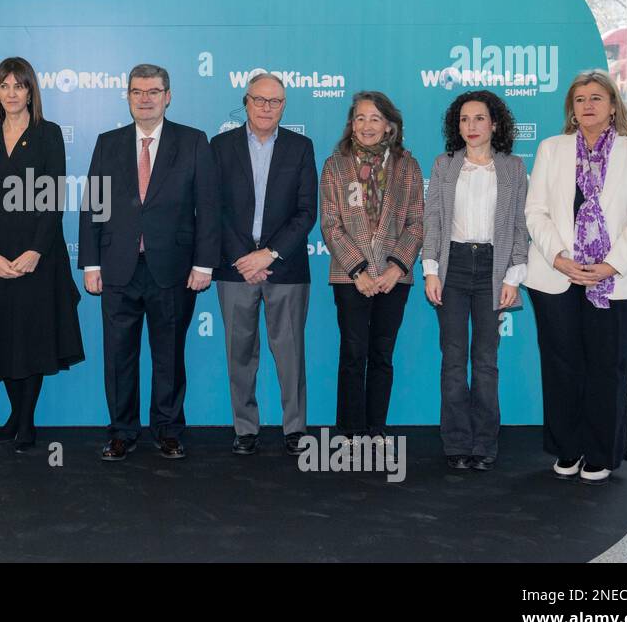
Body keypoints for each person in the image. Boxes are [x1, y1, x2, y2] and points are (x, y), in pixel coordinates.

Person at [523, 70, 627, 485]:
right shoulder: (551, 149)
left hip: (615, 280)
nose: (587, 105)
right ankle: (568, 447)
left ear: (613, 105)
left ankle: (601, 453)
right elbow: (536, 211)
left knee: (607, 367)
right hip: (556, 276)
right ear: (571, 108)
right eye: (579, 98)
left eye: (596, 97)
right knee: (562, 365)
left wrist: (611, 264)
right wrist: (560, 257)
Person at [80, 63, 220, 461]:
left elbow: (208, 207)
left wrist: (204, 264)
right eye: (137, 92)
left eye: (153, 91)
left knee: (169, 355)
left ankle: (168, 430)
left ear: (168, 96)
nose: (144, 99)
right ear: (127, 96)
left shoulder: (193, 141)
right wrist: (91, 264)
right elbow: (93, 206)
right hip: (118, 269)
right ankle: (122, 431)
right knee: (118, 357)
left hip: (173, 270)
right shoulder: (108, 143)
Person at [0, 57, 84, 452]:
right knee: (2, 335)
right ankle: (14, 416)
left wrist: (36, 249)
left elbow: (54, 198)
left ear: (31, 91)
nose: (11, 93)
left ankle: (27, 421)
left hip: (40, 255)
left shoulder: (48, 134)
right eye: (4, 86)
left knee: (32, 337)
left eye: (19, 86)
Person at [211, 72, 317, 457]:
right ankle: (245, 429)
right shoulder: (220, 146)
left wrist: (268, 253)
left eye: (275, 101)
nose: (267, 108)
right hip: (234, 267)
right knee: (240, 353)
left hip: (285, 267)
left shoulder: (300, 147)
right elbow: (213, 209)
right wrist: (245, 258)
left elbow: (306, 213)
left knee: (290, 354)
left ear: (284, 105)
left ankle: (294, 429)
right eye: (260, 100)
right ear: (246, 101)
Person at [422, 90, 528, 472]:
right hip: (452, 266)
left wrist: (514, 276)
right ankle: (456, 443)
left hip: (493, 269)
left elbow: (519, 226)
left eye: (479, 118)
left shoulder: (513, 168)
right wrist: (431, 270)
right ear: (457, 125)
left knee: (485, 361)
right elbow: (432, 220)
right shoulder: (444, 165)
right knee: (453, 360)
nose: (472, 126)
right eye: (465, 119)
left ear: (494, 123)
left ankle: (484, 443)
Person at [319, 91, 424, 442]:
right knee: (352, 354)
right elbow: (331, 224)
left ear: (390, 126)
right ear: (351, 124)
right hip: (351, 277)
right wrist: (358, 271)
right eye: (360, 118)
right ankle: (350, 432)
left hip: (395, 278)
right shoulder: (335, 164)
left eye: (375, 119)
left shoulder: (408, 166)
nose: (367, 126)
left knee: (382, 355)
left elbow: (416, 223)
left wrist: (396, 269)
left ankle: (376, 430)